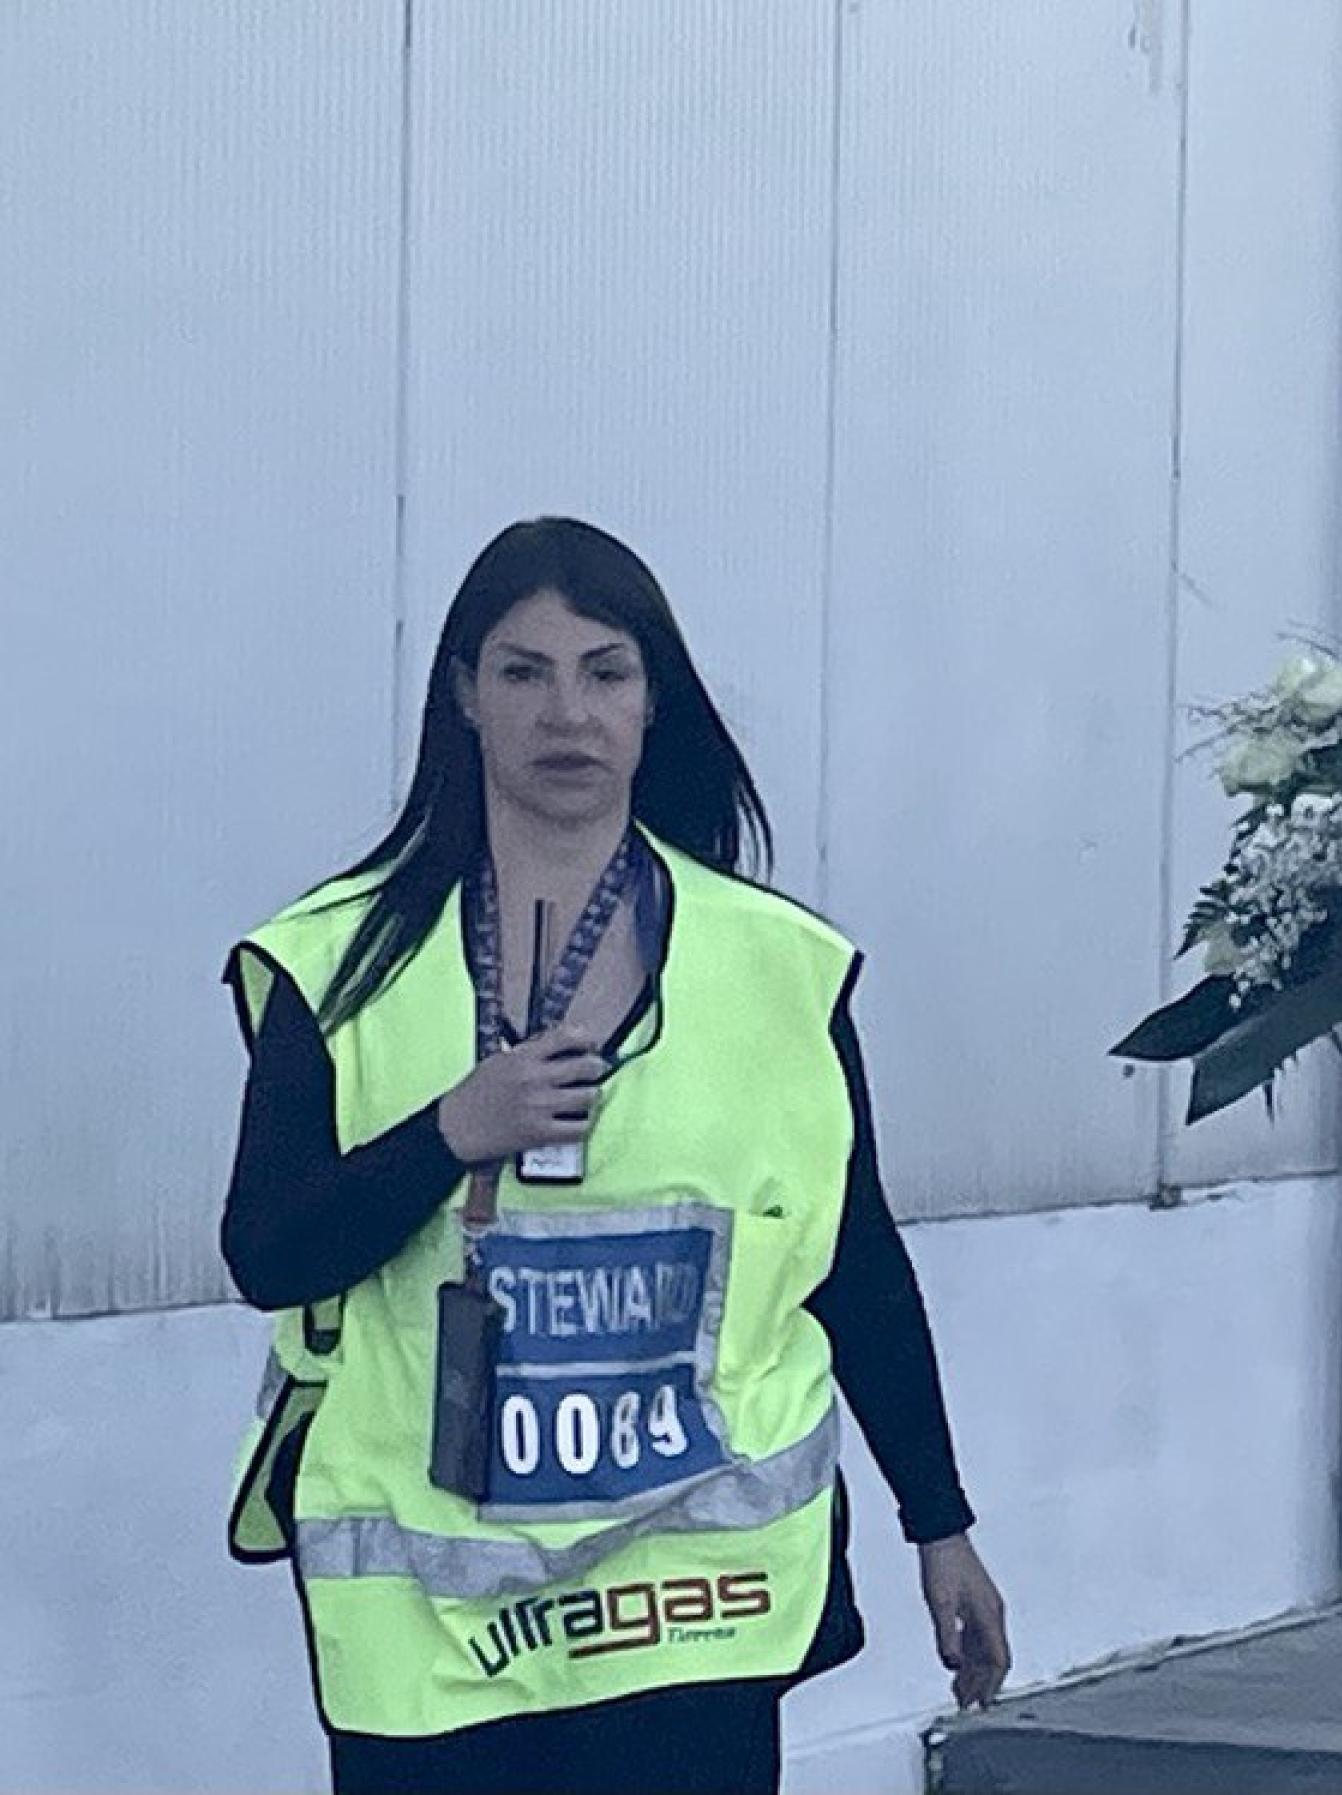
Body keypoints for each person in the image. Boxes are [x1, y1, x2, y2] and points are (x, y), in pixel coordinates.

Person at [218, 517, 1010, 1793]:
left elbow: (852, 1256)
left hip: (691, 1597)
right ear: (466, 697)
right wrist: (445, 1138)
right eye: (523, 671)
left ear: (654, 704)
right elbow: (266, 1251)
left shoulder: (780, 969)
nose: (567, 711)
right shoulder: (333, 962)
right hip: (434, 1621)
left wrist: (942, 1524)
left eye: (606, 671)